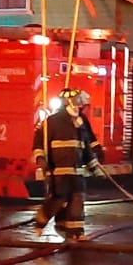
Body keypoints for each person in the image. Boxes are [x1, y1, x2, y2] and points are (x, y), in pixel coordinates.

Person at [32, 88, 103, 240]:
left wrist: (93, 165)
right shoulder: (51, 122)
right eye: (77, 103)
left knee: (77, 201)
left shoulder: (79, 123)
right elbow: (39, 143)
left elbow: (84, 146)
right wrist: (41, 160)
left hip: (77, 173)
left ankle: (76, 233)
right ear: (67, 103)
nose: (80, 106)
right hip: (59, 172)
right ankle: (40, 222)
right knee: (58, 199)